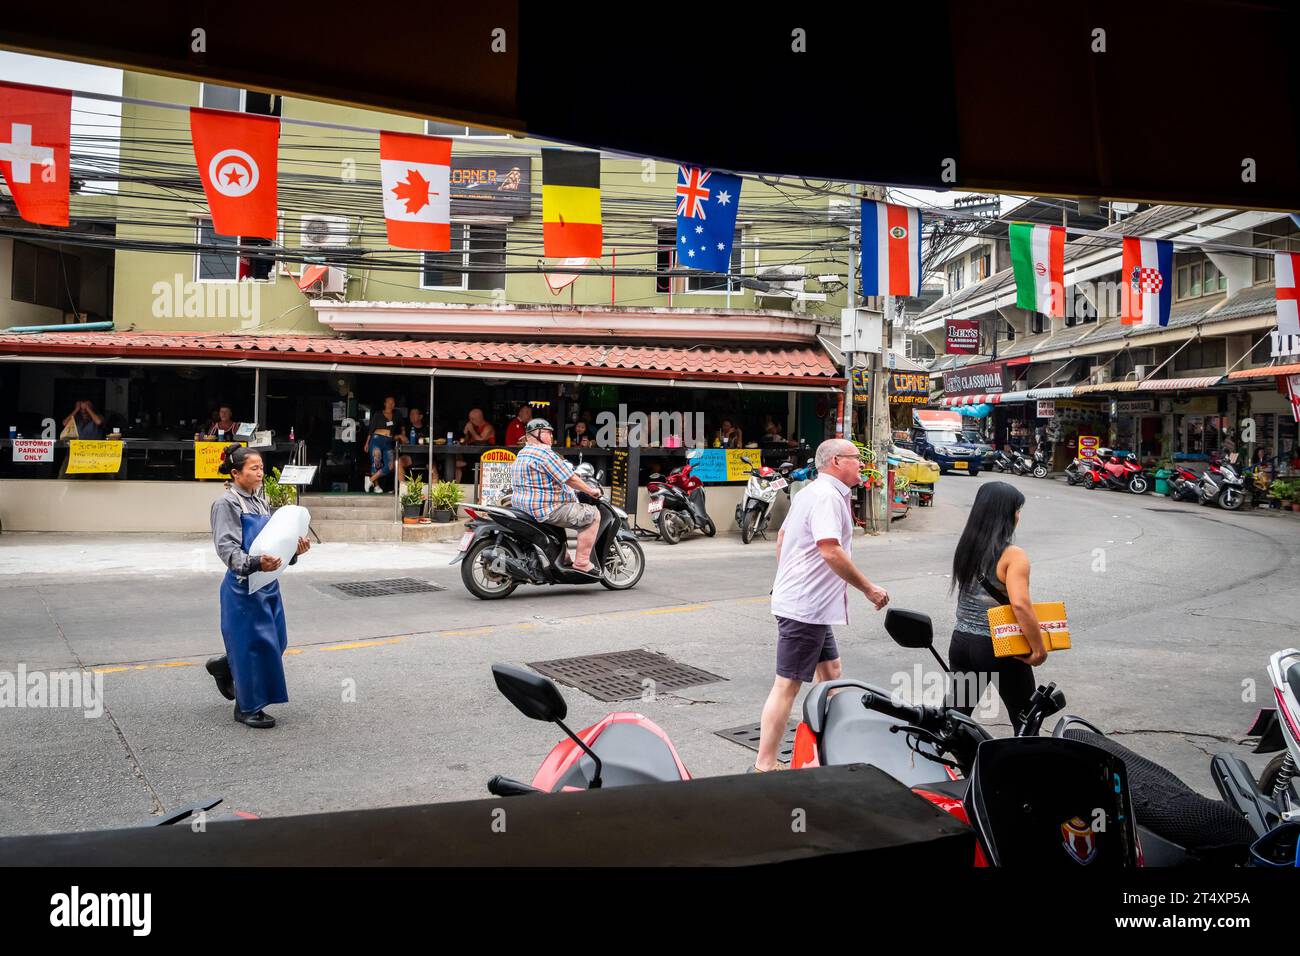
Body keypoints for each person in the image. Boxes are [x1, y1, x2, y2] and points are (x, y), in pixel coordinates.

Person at [753, 438, 890, 772]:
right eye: (856, 458)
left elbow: (783, 538)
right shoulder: (826, 496)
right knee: (787, 685)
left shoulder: (812, 492)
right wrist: (869, 589)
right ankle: (765, 765)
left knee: (831, 675)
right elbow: (830, 550)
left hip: (811, 607)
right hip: (806, 609)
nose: (862, 464)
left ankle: (827, 748)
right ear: (836, 461)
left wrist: (790, 577)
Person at [204, 444, 310, 729]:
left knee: (277, 641)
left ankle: (225, 665)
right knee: (253, 647)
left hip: (268, 583)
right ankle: (247, 707)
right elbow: (226, 548)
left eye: (261, 467)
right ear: (236, 473)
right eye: (254, 468)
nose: (260, 472)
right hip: (243, 587)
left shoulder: (261, 502)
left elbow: (272, 545)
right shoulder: (226, 504)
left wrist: (294, 551)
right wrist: (254, 564)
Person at [949, 481, 1046, 733]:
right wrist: (1038, 649)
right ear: (1005, 514)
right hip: (999, 646)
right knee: (1026, 720)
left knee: (955, 719)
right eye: (1017, 510)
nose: (1018, 516)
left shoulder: (967, 546)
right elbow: (1021, 605)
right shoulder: (1013, 555)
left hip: (961, 643)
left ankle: (945, 755)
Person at [509, 418, 603, 575]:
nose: (551, 436)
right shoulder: (544, 454)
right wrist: (590, 491)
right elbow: (570, 479)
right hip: (545, 509)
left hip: (525, 507)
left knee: (564, 515)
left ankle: (563, 557)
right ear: (537, 434)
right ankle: (582, 562)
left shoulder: (523, 453)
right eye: (548, 432)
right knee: (593, 515)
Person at [364, 395, 399, 493]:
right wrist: (367, 443)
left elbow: (402, 427)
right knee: (376, 462)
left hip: (388, 442)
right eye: (388, 402)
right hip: (376, 440)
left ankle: (370, 479)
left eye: (392, 402)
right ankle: (376, 486)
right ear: (385, 404)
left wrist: (402, 434)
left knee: (390, 466)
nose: (391, 404)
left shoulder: (397, 415)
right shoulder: (378, 414)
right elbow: (371, 430)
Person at [455, 408, 497, 482]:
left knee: (459, 463)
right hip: (471, 455)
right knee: (455, 462)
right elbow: (465, 442)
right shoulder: (474, 426)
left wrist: (471, 429)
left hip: (483, 457)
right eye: (470, 419)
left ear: (480, 418)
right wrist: (466, 433)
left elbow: (480, 441)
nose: (470, 421)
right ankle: (457, 485)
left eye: (473, 419)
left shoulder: (488, 427)